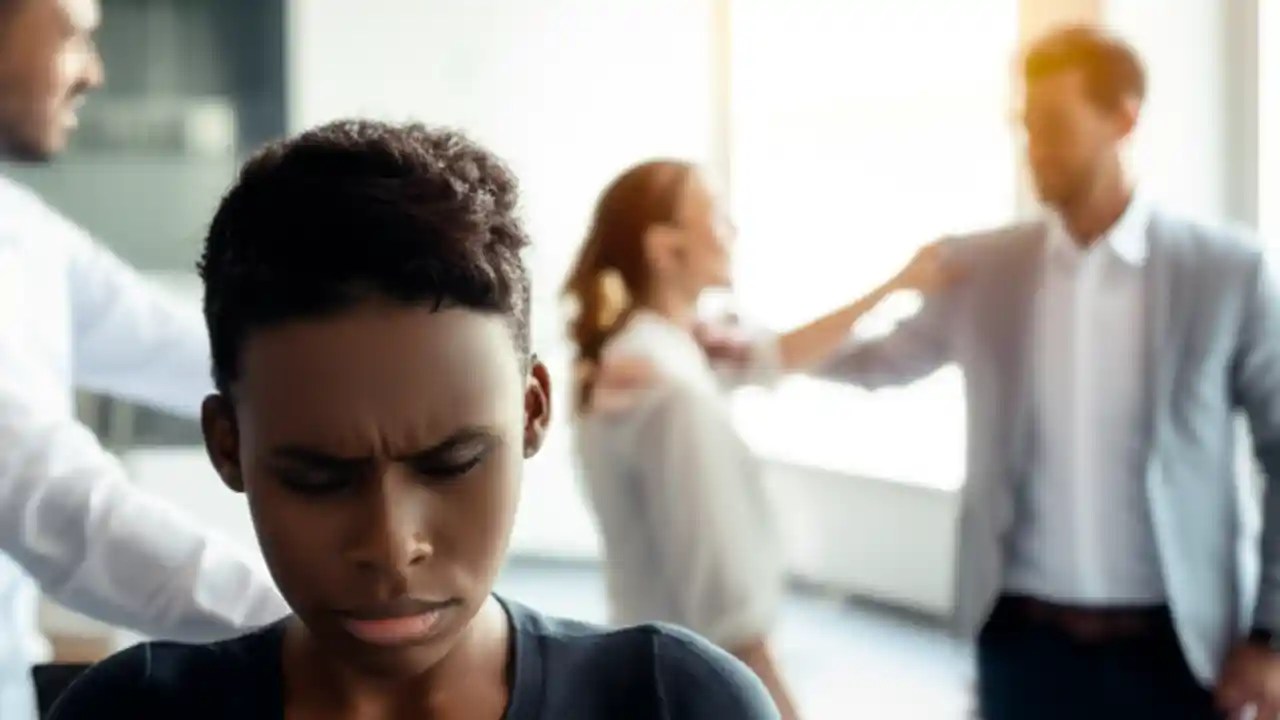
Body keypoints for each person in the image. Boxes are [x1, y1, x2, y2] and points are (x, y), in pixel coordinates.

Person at [48, 120, 781, 719]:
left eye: (452, 463)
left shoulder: (673, 703)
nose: (392, 548)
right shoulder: (130, 714)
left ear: (532, 414)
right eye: (318, 477)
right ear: (228, 446)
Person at [692, 26, 1280, 719]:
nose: (1035, 147)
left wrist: (1271, 635)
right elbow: (881, 362)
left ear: (1125, 119)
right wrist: (754, 347)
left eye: (1055, 125)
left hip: (1176, 650)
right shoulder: (988, 268)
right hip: (1022, 644)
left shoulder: (1227, 270)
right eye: (1026, 125)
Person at [562, 159, 949, 720]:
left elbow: (780, 355)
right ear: (666, 249)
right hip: (686, 684)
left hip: (656, 668)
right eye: (717, 217)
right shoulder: (664, 385)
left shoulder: (665, 352)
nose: (733, 230)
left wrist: (894, 286)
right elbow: (729, 614)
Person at [0, 0, 288, 717]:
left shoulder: (21, 229)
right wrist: (332, 627)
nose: (93, 72)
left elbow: (199, 349)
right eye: (72, 35)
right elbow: (62, 511)